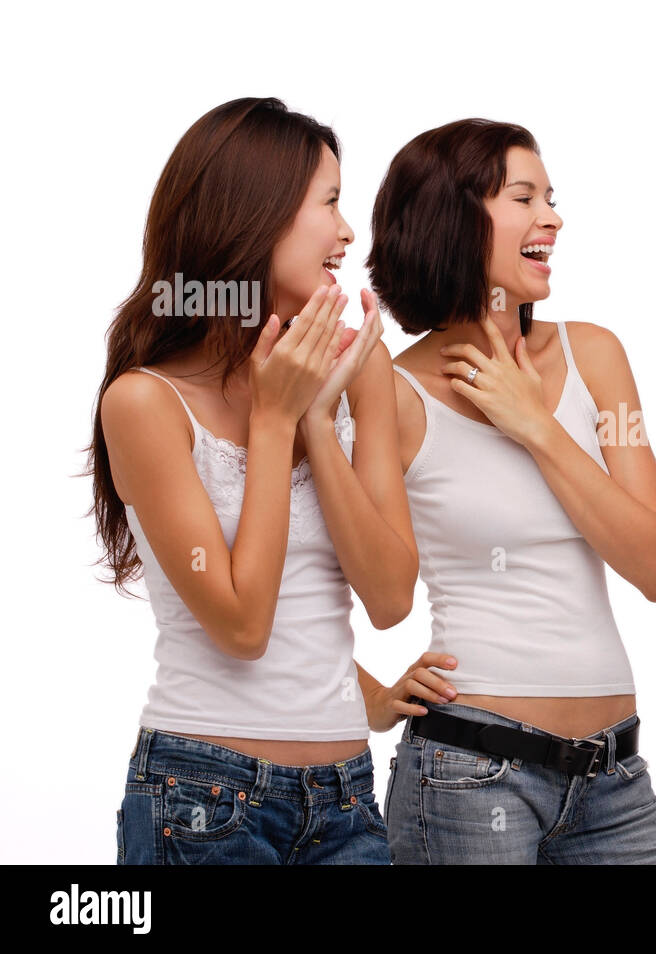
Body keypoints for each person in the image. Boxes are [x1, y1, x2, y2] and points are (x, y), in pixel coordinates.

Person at [91, 97, 416, 864]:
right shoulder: (144, 402)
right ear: (256, 215)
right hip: (201, 801)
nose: (347, 234)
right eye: (330, 204)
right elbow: (242, 626)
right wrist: (274, 424)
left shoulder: (359, 365)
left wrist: (311, 418)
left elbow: (392, 596)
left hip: (346, 797)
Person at [364, 118, 656, 864]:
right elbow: (306, 577)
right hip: (467, 774)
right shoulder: (389, 391)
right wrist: (373, 693)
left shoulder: (596, 355)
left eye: (552, 197)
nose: (553, 217)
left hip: (614, 777)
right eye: (525, 197)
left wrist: (537, 427)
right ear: (455, 217)